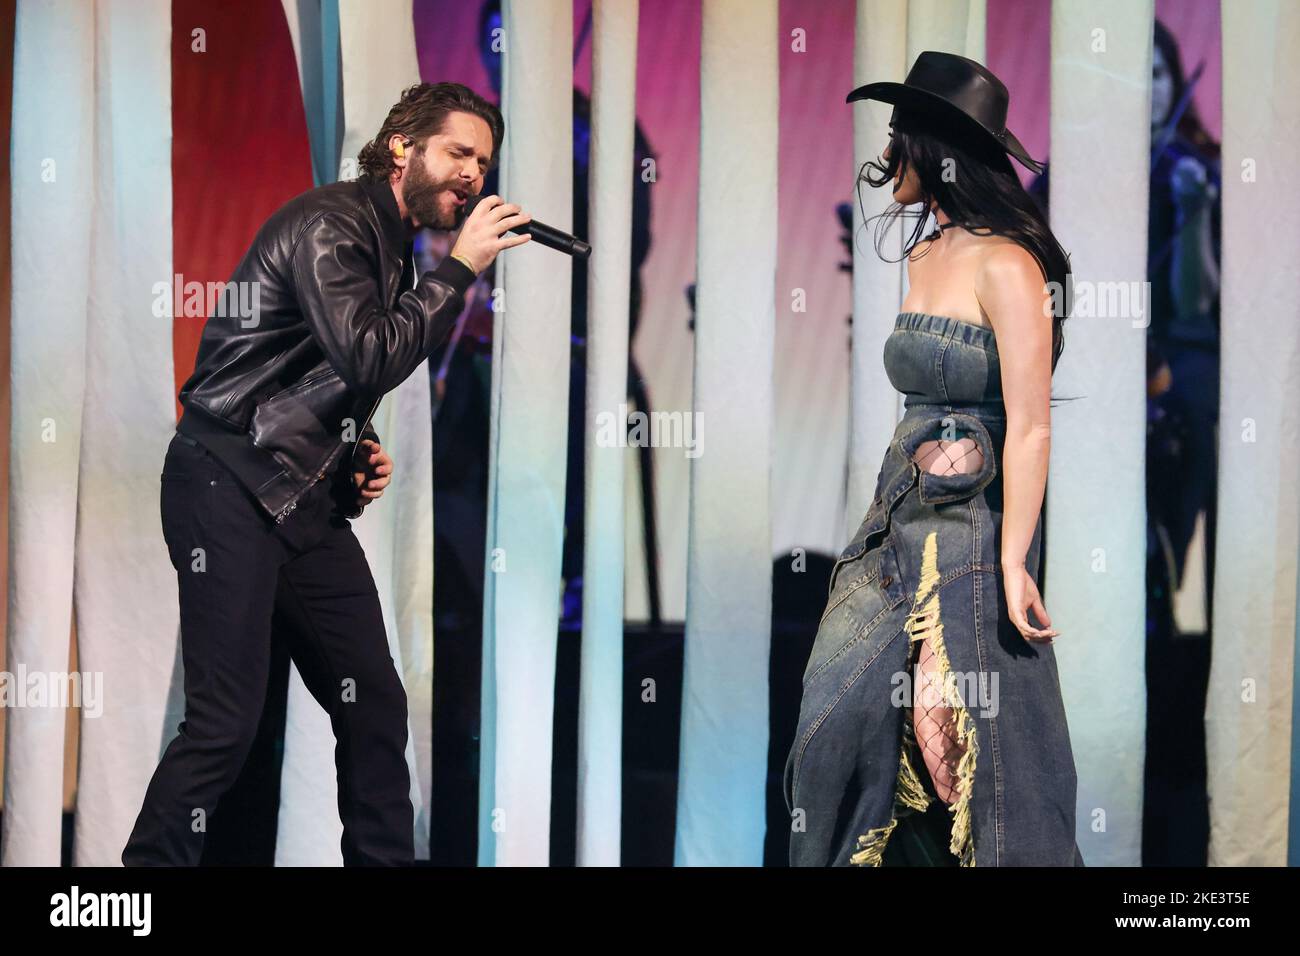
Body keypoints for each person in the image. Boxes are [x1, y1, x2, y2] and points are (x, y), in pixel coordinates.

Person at [122, 82, 531, 866]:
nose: (475, 174)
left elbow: (316, 377)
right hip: (228, 483)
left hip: (301, 502)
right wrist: (463, 269)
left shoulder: (394, 254)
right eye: (459, 152)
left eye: (484, 161)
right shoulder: (333, 224)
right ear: (403, 147)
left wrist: (352, 452)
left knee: (373, 704)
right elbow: (370, 352)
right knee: (224, 720)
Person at [784, 51, 1083, 866]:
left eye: (898, 135)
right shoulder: (923, 254)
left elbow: (1028, 427)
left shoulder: (1009, 263)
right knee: (845, 732)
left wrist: (1015, 559)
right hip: (894, 528)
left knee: (958, 750)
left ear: (936, 147)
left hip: (966, 539)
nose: (886, 154)